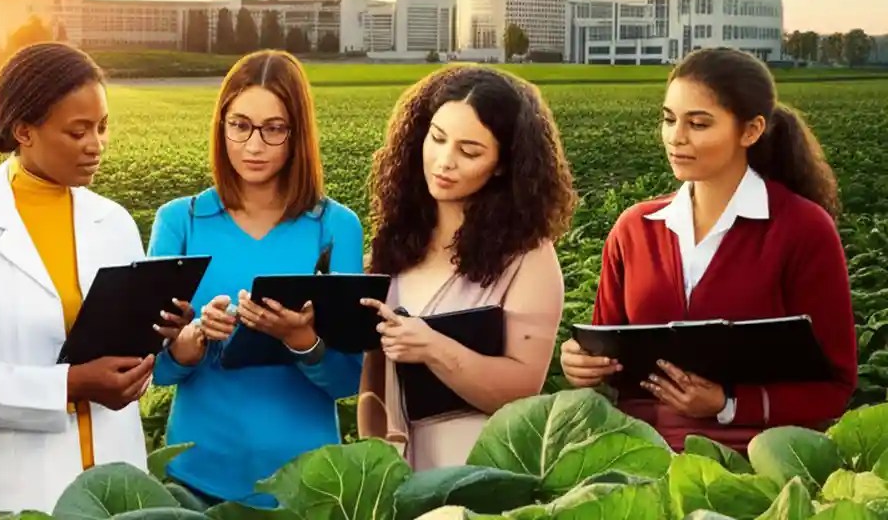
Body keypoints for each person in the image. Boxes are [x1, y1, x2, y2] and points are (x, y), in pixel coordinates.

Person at [0, 42, 188, 513]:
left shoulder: (115, 222)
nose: (95, 145)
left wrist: (161, 334)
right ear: (24, 131)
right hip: (12, 490)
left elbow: (127, 352)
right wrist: (70, 385)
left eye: (102, 128)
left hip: (112, 481)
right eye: (77, 131)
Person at [559, 47, 858, 453]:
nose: (676, 137)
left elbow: (834, 387)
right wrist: (583, 365)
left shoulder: (803, 229)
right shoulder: (633, 229)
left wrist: (727, 404)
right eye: (668, 119)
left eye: (698, 123)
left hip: (760, 464)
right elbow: (611, 363)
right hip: (641, 458)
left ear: (750, 131)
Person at [150, 49, 366, 509]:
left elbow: (349, 379)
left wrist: (301, 339)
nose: (253, 146)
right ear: (221, 124)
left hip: (306, 484)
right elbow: (156, 367)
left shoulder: (335, 228)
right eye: (240, 125)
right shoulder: (180, 222)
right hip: (196, 477)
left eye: (273, 129)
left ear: (297, 133)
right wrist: (193, 339)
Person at [355, 65, 575, 469]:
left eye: (469, 151)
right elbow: (365, 376)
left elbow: (522, 392)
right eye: (436, 139)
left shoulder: (528, 255)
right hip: (395, 469)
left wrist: (434, 348)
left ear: (503, 165)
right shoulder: (392, 244)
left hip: (479, 472)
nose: (444, 161)